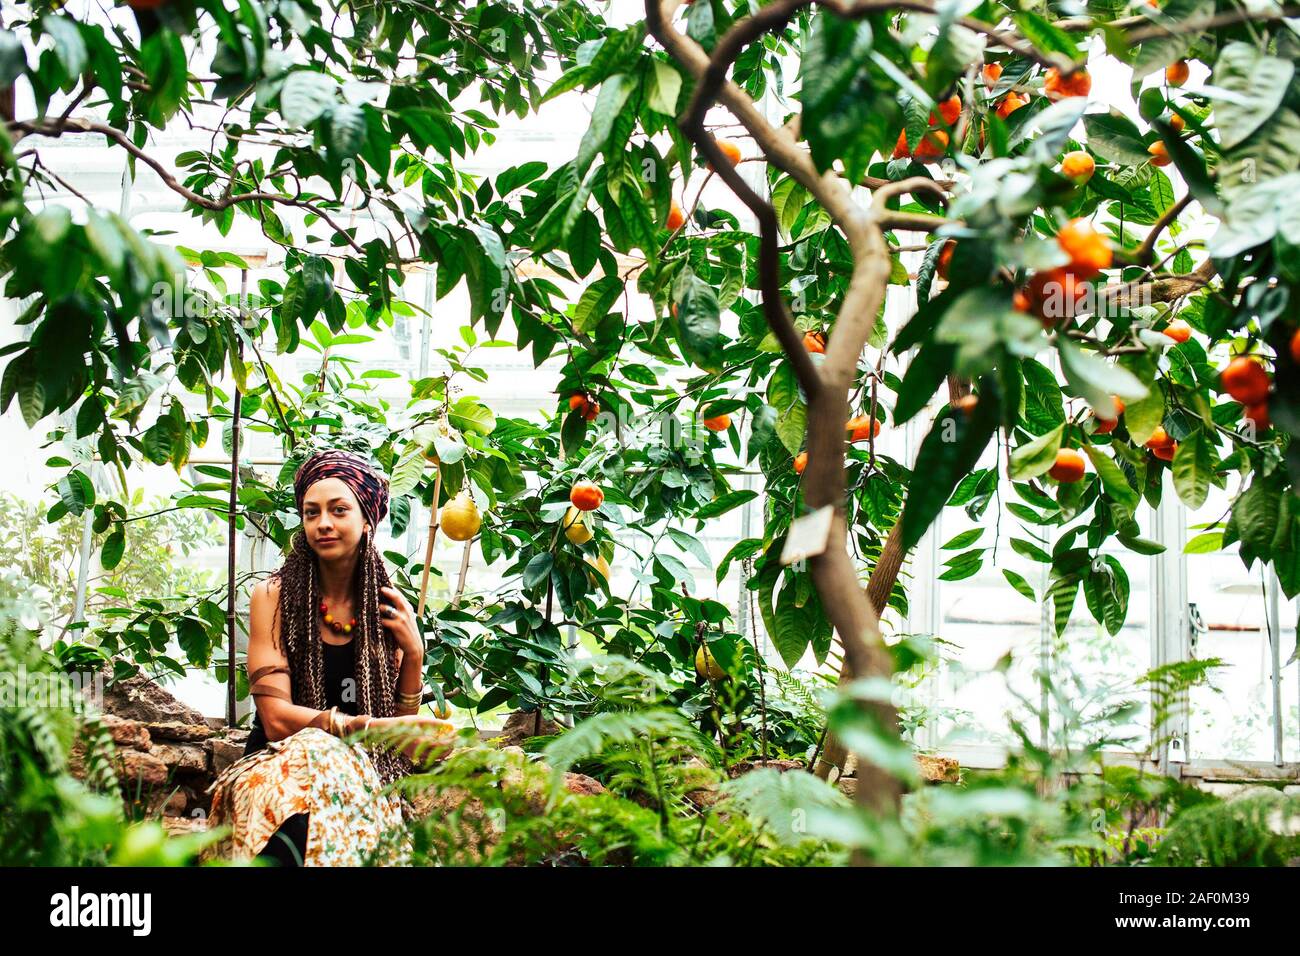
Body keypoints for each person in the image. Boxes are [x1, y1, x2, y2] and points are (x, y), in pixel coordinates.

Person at [202, 449, 454, 866]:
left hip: (357, 774)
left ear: (367, 519)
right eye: (311, 512)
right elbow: (276, 720)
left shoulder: (386, 608)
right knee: (297, 827)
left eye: (339, 510)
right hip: (278, 768)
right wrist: (362, 726)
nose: (323, 523)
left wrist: (413, 655)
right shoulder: (274, 596)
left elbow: (403, 744)